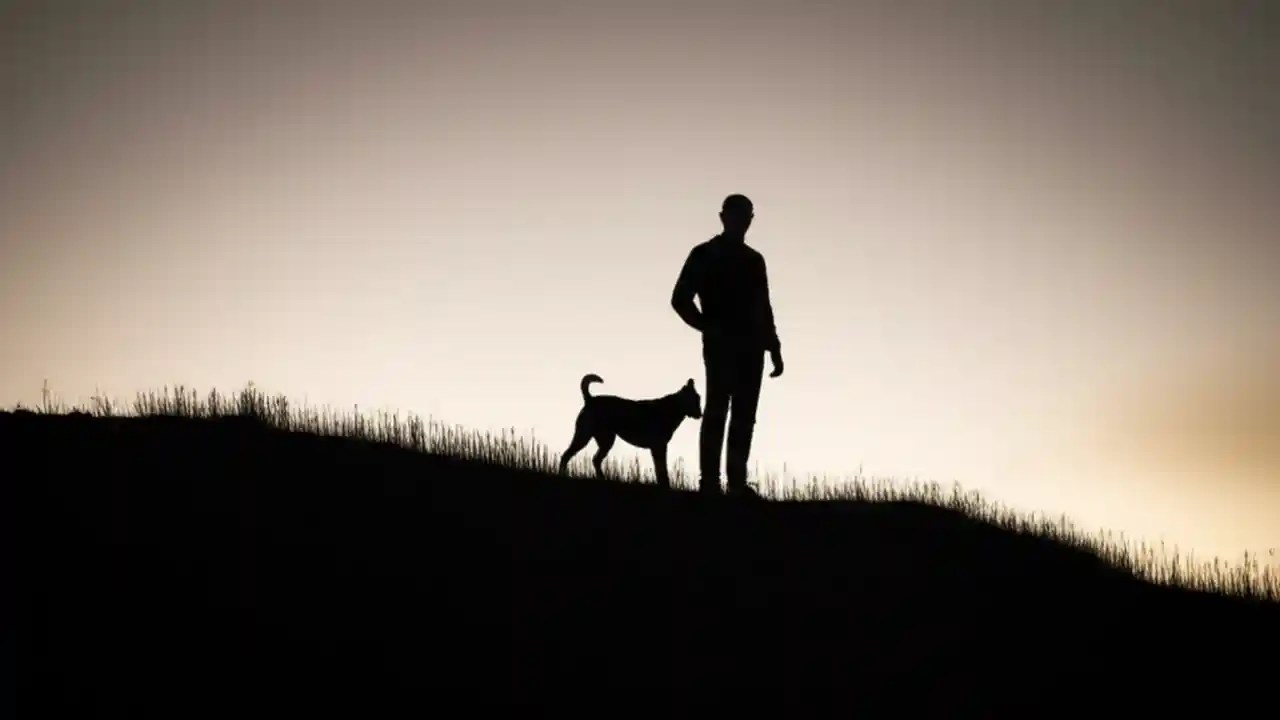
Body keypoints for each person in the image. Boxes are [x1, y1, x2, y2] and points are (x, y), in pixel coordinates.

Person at [671, 193, 784, 497]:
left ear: (750, 220)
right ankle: (709, 483)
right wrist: (708, 328)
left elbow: (764, 307)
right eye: (736, 215)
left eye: (747, 216)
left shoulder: (754, 261)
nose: (741, 221)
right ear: (723, 218)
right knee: (717, 412)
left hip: (752, 349)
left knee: (745, 417)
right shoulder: (704, 254)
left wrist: (773, 346)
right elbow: (680, 300)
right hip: (721, 349)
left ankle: (736, 485)